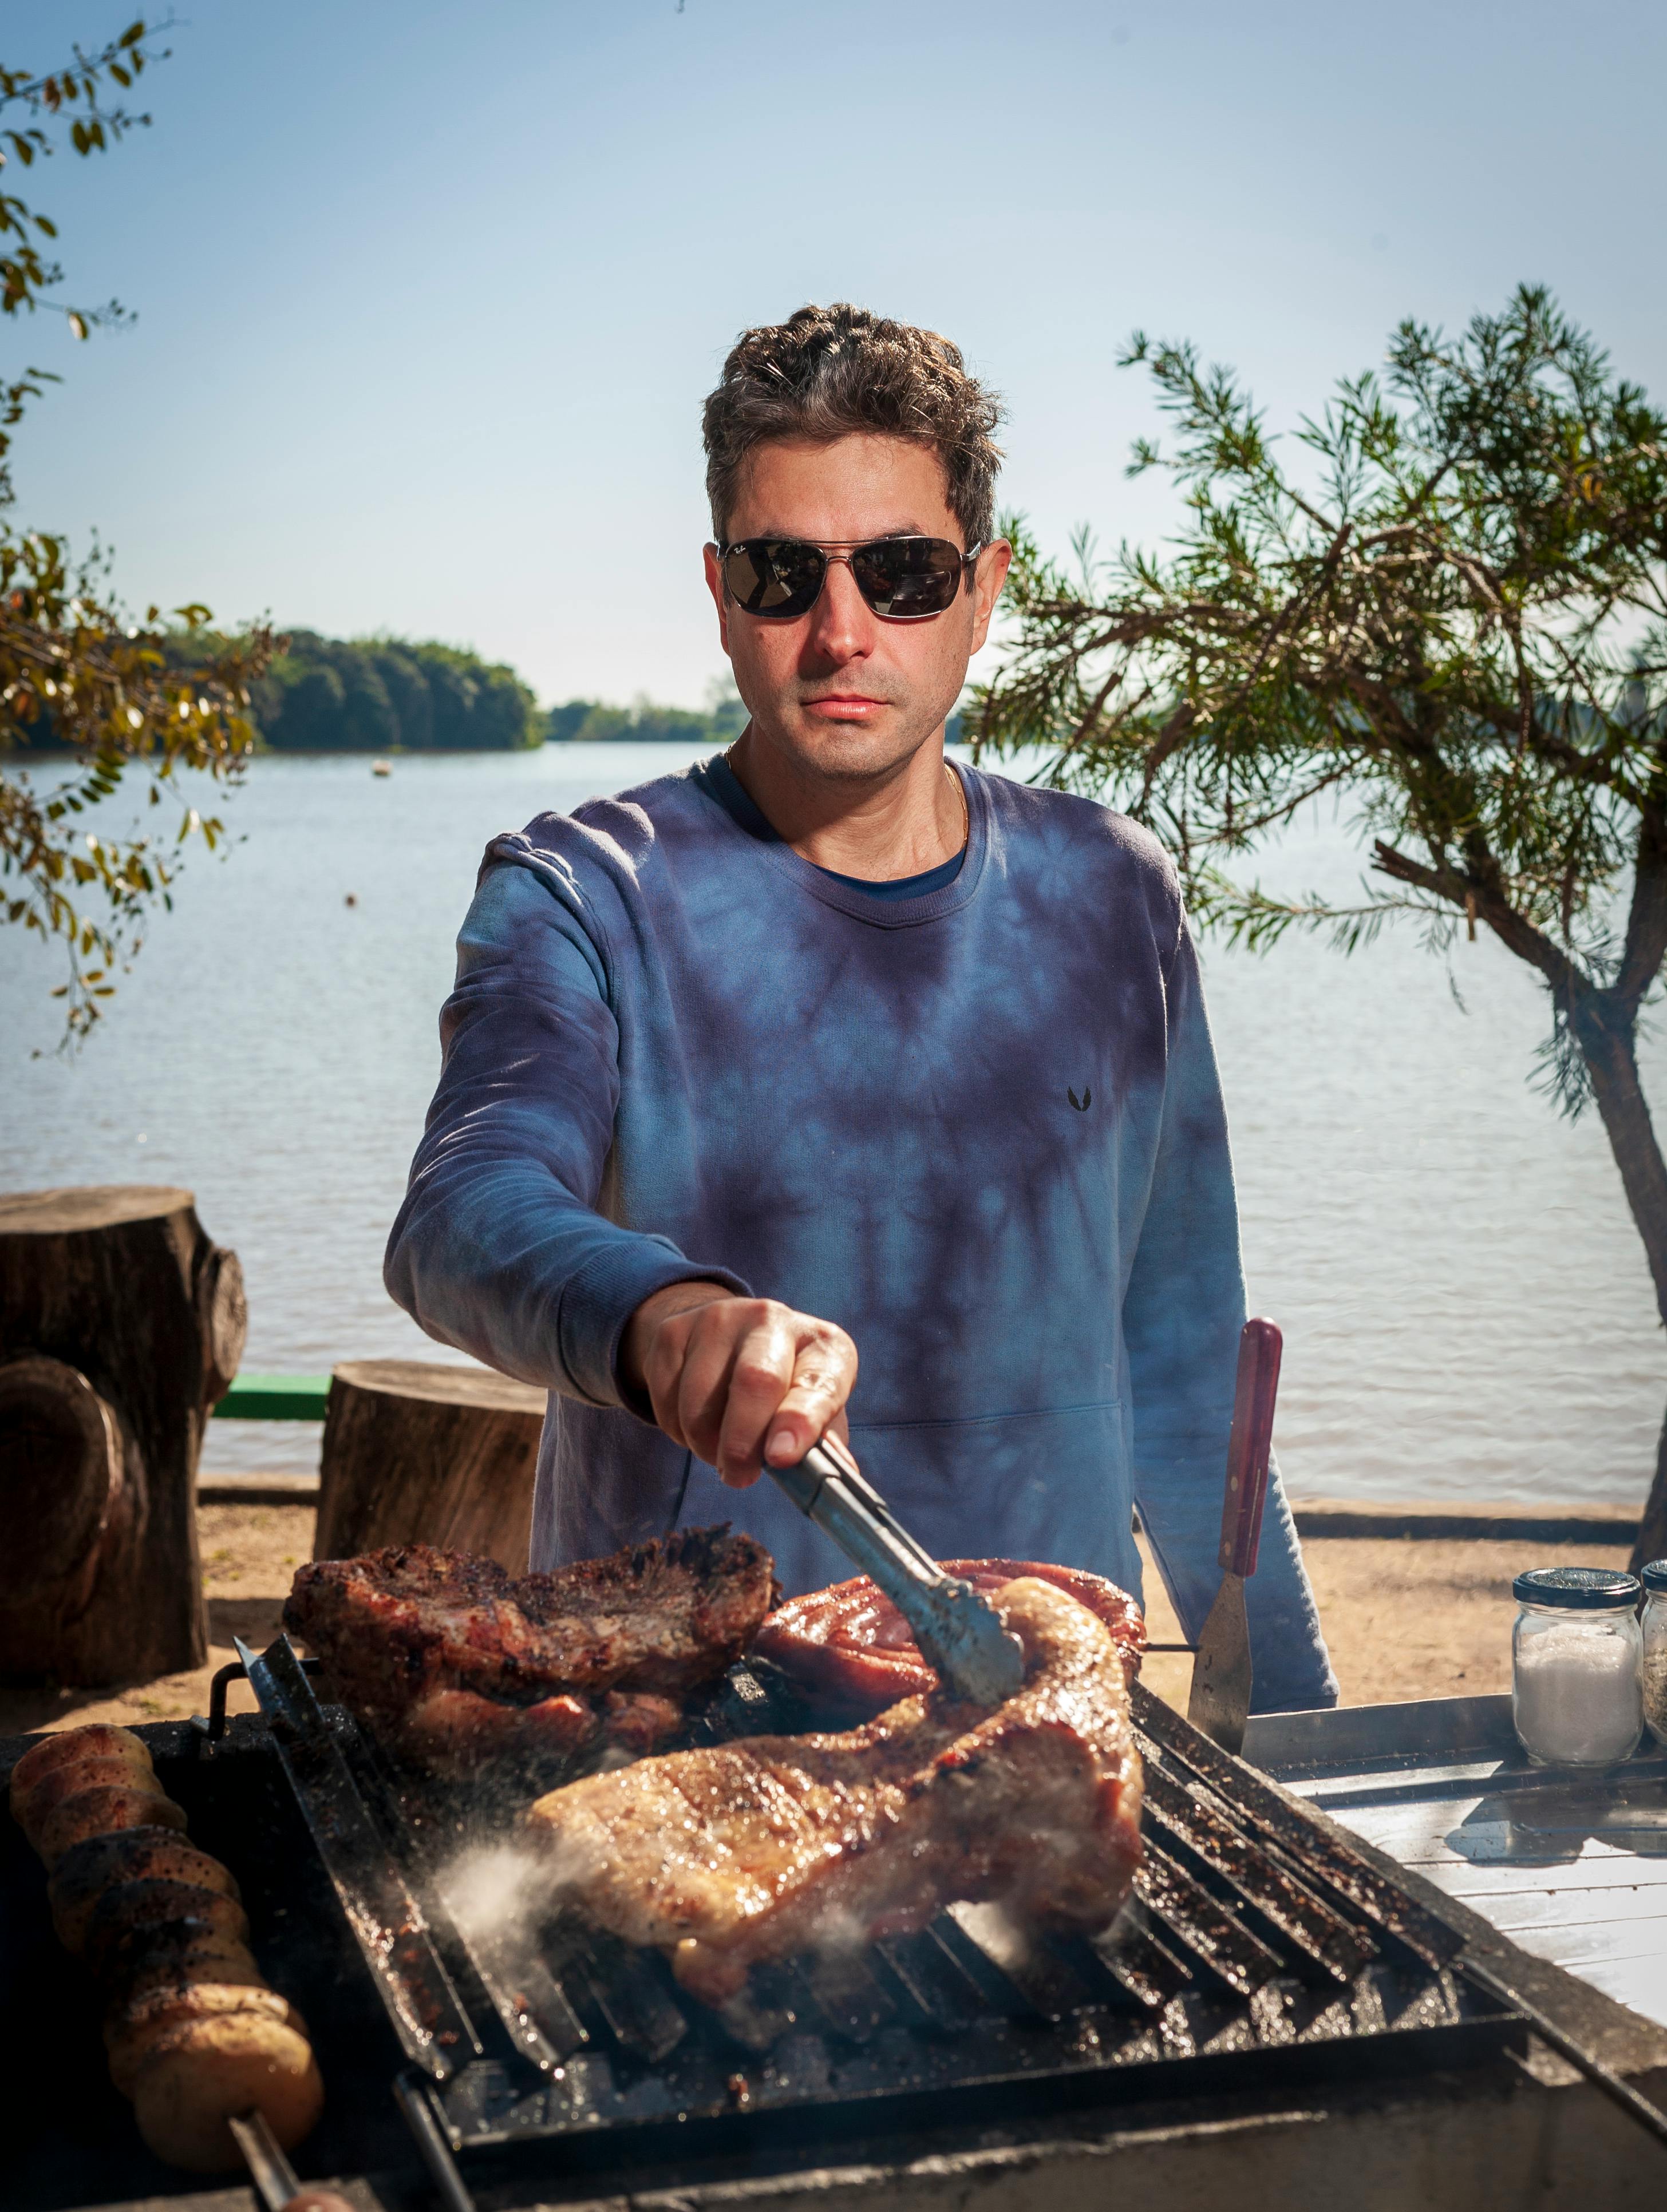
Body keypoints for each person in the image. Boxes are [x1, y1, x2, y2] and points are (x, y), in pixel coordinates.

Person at [386, 302, 1336, 1715]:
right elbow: (465, 1211)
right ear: (721, 593)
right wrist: (663, 1315)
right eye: (784, 574)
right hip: (677, 1746)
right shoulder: (581, 893)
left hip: (1049, 1731)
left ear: (982, 590)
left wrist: (1303, 1724)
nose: (840, 632)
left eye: (901, 573)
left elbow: (1190, 1366)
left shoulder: (1111, 895)